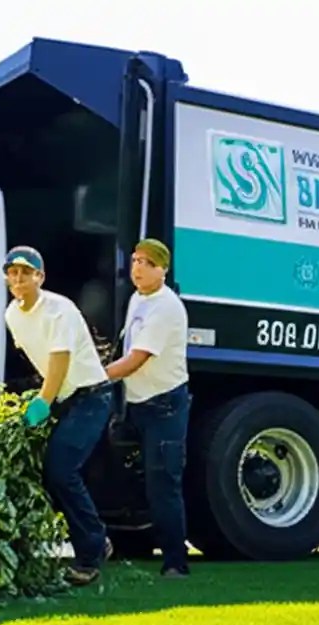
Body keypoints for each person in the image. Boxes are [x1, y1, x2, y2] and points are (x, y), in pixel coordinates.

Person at [2, 245, 114, 585]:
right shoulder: (12, 314)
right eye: (12, 272)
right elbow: (37, 359)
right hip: (64, 399)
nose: (19, 278)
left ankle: (90, 556)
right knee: (50, 473)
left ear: (41, 277)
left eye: (26, 272)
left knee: (62, 471)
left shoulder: (58, 309)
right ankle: (96, 539)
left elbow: (59, 359)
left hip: (91, 396)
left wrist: (42, 403)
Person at [105, 238, 192, 578]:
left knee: (163, 483)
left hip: (164, 406)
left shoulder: (166, 307)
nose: (138, 268)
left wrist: (94, 378)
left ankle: (175, 563)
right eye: (135, 261)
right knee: (128, 478)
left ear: (163, 270)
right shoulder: (136, 299)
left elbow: (137, 359)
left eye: (147, 263)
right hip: (136, 404)